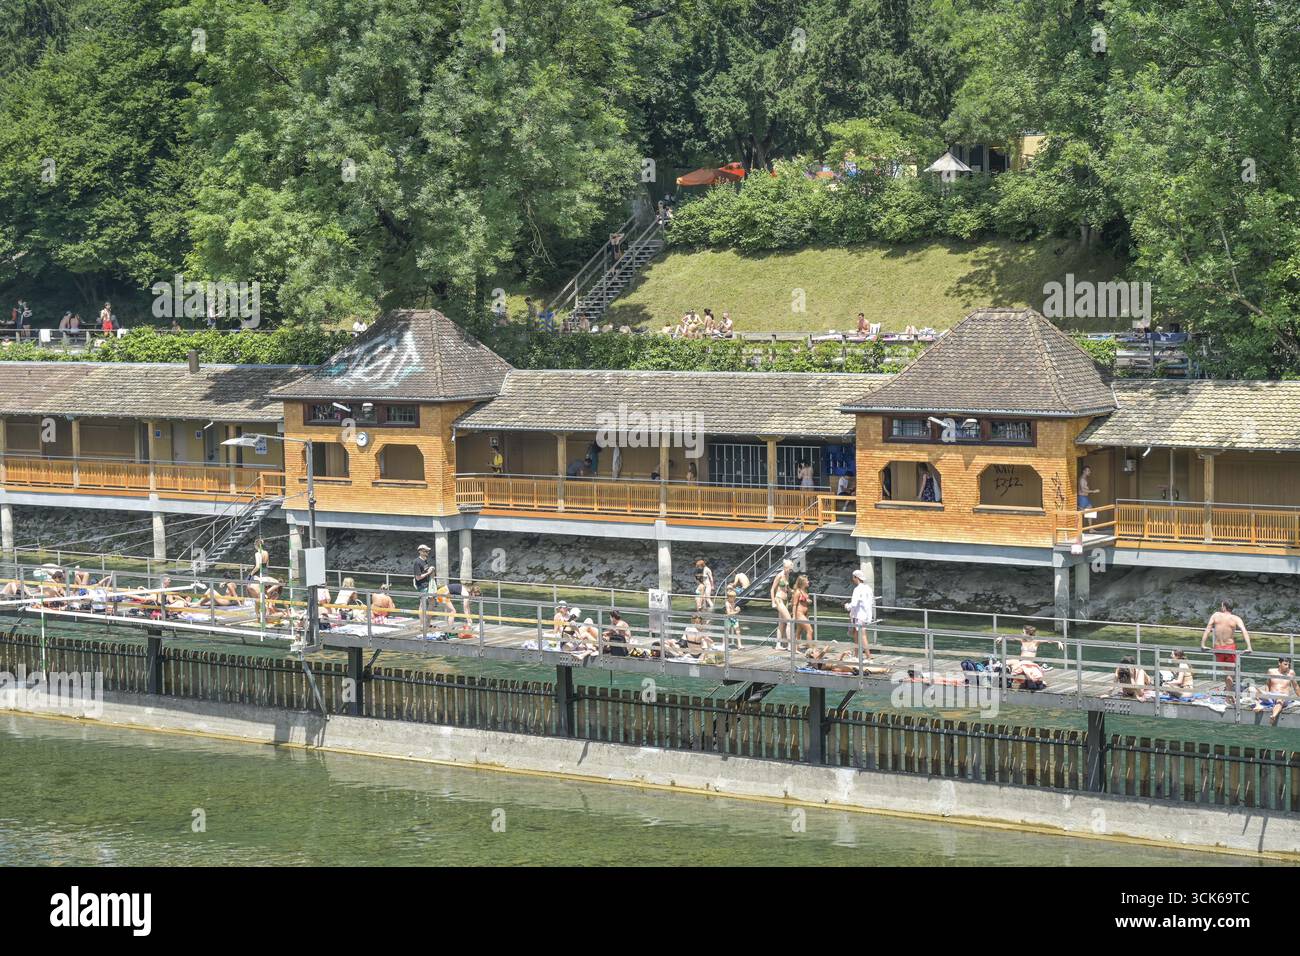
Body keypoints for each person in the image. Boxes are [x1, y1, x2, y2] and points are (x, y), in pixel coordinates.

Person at [1201, 600, 1252, 690]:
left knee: (1226, 672)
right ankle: (1229, 695)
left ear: (1224, 607)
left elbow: (1208, 629)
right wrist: (1249, 646)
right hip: (1229, 648)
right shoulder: (1236, 618)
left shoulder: (1215, 615)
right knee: (1230, 673)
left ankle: (1229, 692)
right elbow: (1244, 631)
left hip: (1218, 648)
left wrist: (1203, 644)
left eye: (1221, 606)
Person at [1256, 658, 1299, 726]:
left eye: (1288, 665)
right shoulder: (1271, 671)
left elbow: (1296, 687)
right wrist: (1267, 695)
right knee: (1252, 689)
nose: (1287, 666)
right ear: (1279, 663)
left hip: (1283, 696)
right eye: (1285, 664)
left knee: (1280, 700)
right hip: (1271, 695)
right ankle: (1258, 705)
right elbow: (1267, 684)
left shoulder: (1291, 673)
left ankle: (1273, 716)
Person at [845, 568, 875, 660]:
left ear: (856, 577)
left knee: (862, 635)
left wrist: (847, 606)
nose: (852, 579)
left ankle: (868, 656)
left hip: (858, 615)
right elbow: (871, 602)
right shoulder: (868, 588)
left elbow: (854, 604)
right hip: (865, 615)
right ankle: (856, 654)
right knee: (856, 634)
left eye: (853, 577)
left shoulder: (857, 589)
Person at [791, 575, 813, 650]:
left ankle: (796, 648)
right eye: (807, 581)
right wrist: (794, 616)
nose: (808, 582)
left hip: (805, 614)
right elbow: (794, 605)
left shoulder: (805, 591)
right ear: (803, 582)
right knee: (810, 630)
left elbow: (805, 602)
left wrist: (808, 601)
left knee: (799, 632)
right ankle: (810, 649)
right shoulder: (798, 592)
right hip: (799, 614)